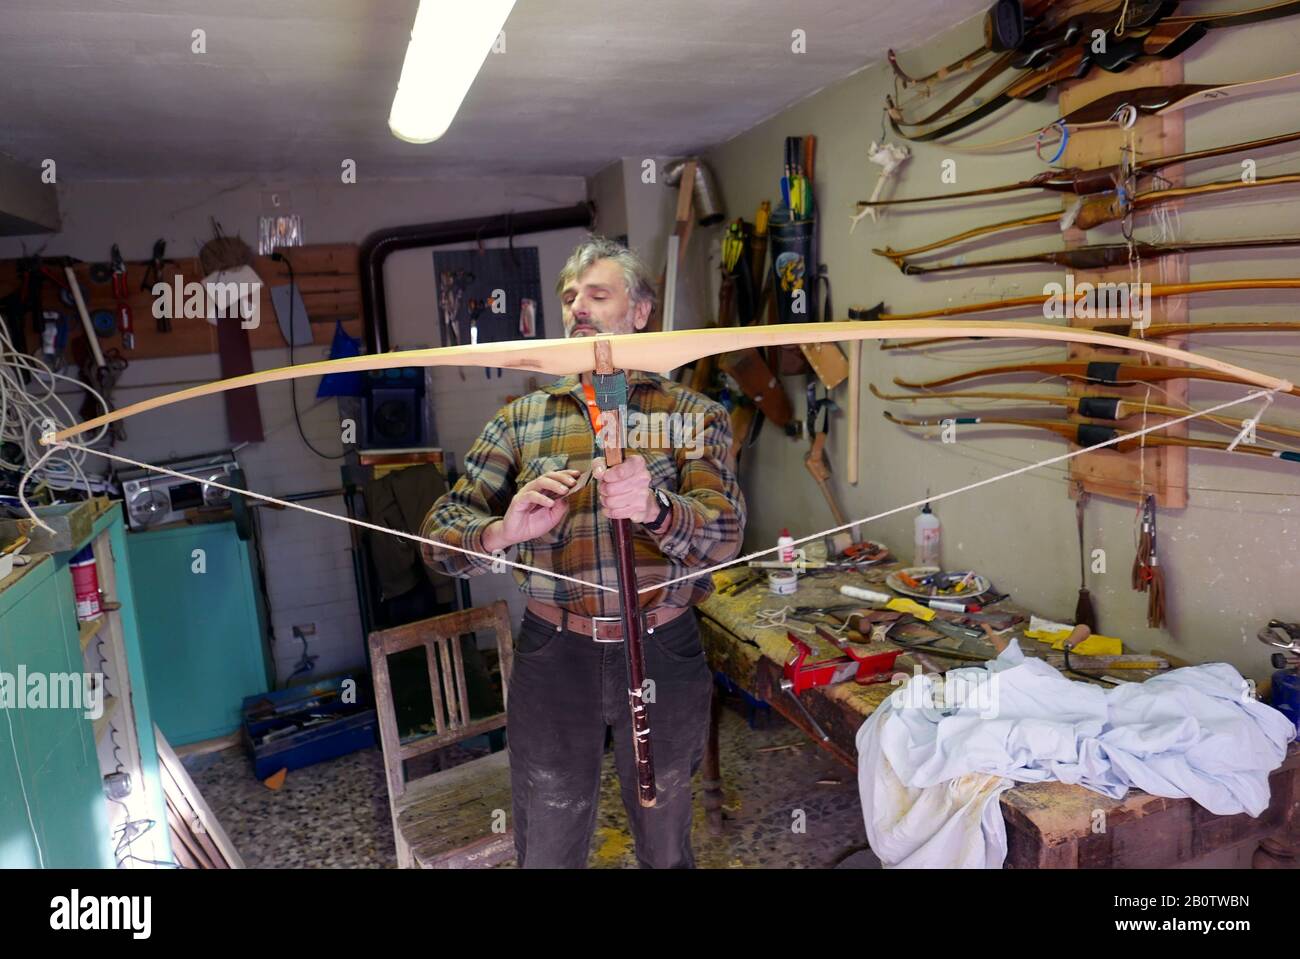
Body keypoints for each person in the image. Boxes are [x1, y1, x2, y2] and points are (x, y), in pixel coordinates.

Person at [421, 236, 746, 867]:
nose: (579, 307)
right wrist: (502, 532)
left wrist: (655, 508)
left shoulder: (692, 416)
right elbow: (439, 533)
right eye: (570, 297)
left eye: (599, 294)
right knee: (546, 844)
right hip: (555, 651)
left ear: (641, 312)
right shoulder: (521, 418)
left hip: (662, 642)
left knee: (665, 840)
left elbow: (724, 534)